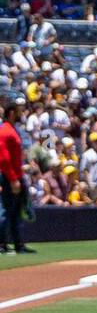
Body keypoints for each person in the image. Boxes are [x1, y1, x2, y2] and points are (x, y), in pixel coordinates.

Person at [0, 99, 34, 255]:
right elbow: (4, 159)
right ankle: (2, 245)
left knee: (15, 212)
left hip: (15, 175)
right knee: (6, 211)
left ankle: (18, 244)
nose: (21, 114)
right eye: (18, 111)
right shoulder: (5, 131)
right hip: (8, 177)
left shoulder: (12, 129)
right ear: (12, 113)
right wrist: (13, 179)